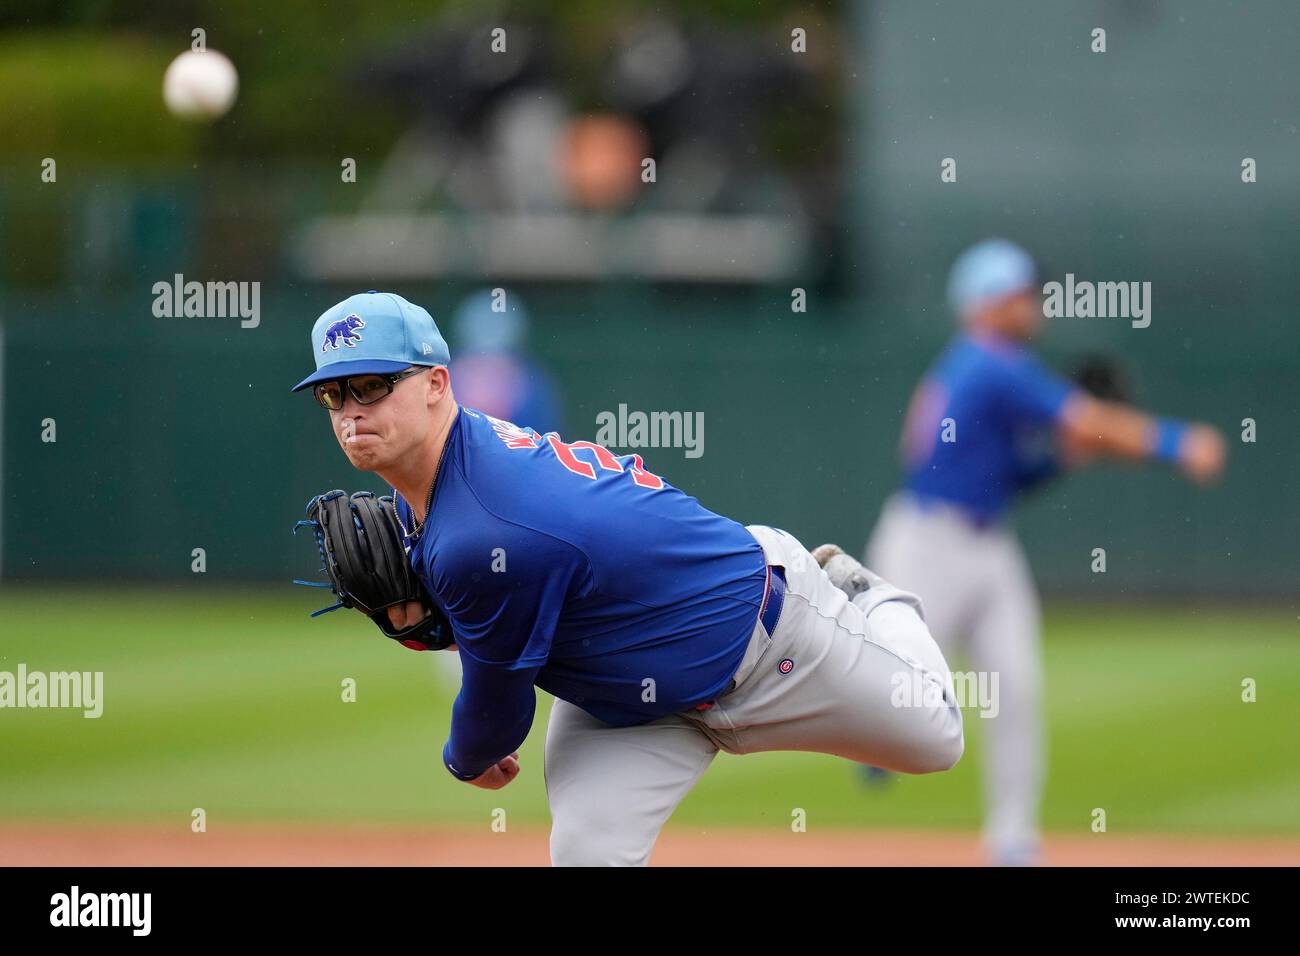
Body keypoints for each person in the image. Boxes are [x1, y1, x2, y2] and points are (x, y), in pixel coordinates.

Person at [291, 290, 965, 866]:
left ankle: (868, 596)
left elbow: (498, 715)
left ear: (438, 384)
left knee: (938, 739)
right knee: (587, 853)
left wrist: (464, 756)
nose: (351, 410)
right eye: (332, 392)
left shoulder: (483, 526)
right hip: (626, 706)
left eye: (374, 385)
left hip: (766, 641)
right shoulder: (449, 483)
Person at [864, 239, 1227, 866]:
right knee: (897, 691)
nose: (1033, 305)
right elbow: (1087, 421)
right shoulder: (988, 362)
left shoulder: (979, 369)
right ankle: (871, 743)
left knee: (1015, 687)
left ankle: (1012, 838)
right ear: (987, 303)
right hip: (928, 544)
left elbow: (1012, 474)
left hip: (984, 542)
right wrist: (1176, 442)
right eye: (1021, 294)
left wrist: (1064, 453)